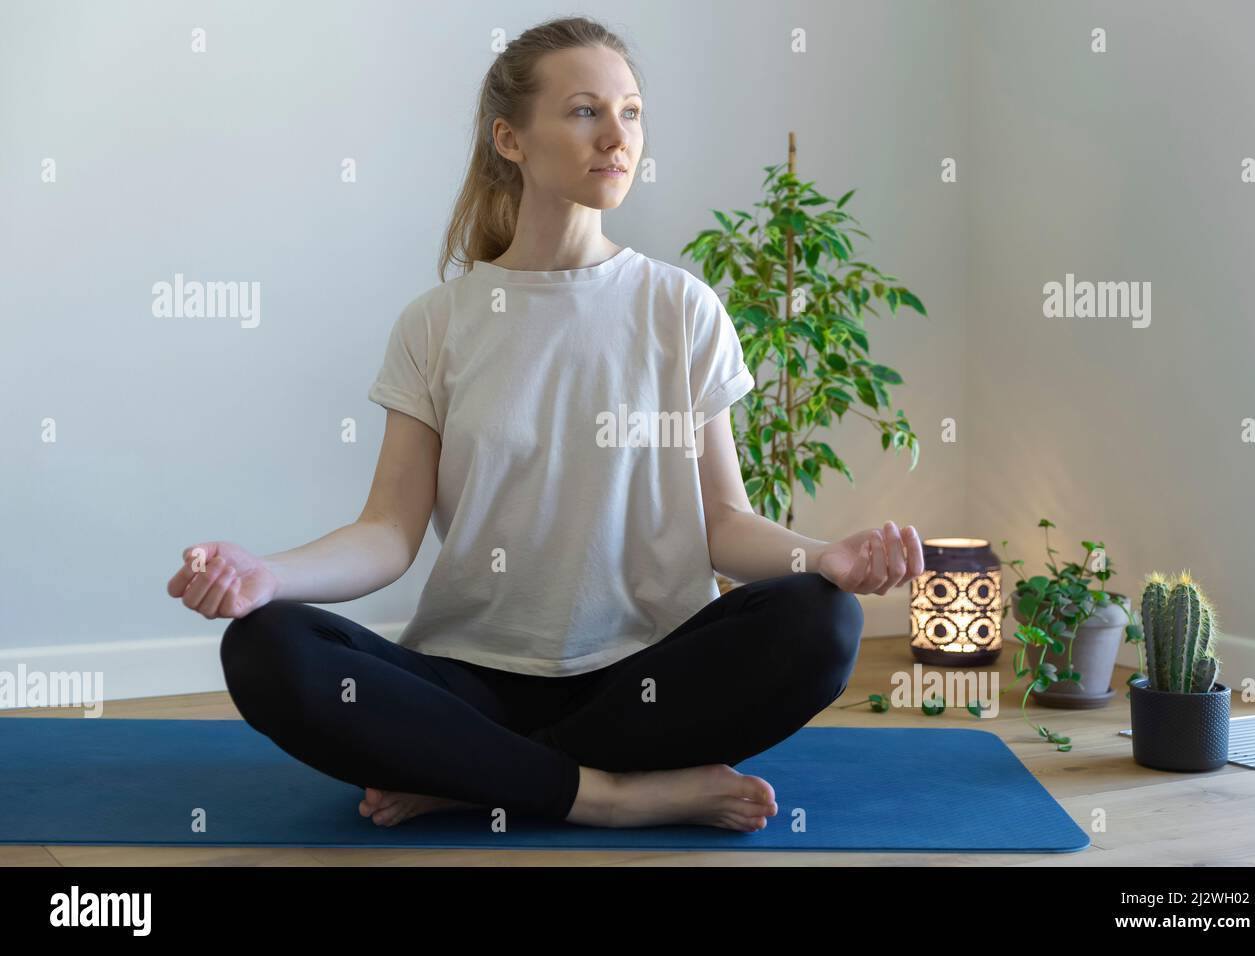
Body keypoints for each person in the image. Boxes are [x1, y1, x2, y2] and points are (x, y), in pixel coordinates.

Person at [165, 15, 925, 833]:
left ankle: (469, 774)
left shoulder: (679, 308)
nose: (616, 137)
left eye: (630, 112)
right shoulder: (438, 323)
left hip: (644, 681)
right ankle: (611, 794)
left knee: (821, 620)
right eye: (584, 111)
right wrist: (265, 576)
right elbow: (388, 533)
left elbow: (724, 523)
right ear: (511, 139)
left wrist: (827, 558)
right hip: (470, 679)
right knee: (264, 648)